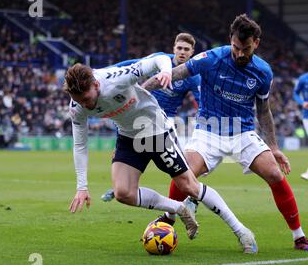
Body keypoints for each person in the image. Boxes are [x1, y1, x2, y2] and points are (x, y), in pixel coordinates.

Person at [143, 14, 308, 252]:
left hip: (242, 132)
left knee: (275, 175)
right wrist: (140, 91)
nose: (239, 53)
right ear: (231, 40)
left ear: (256, 43)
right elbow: (174, 74)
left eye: (245, 49)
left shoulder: (263, 72)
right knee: (182, 172)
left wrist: (274, 147)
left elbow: (264, 111)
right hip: (208, 130)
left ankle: (299, 237)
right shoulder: (210, 58)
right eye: (236, 47)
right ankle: (170, 217)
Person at [64, 55, 257, 252]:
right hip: (128, 136)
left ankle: (242, 232)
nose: (85, 105)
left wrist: (166, 71)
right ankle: (178, 208)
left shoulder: (115, 79)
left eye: (86, 99)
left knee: (189, 186)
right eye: (79, 101)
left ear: (96, 85)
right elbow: (80, 145)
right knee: (123, 193)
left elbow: (159, 59)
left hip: (156, 130)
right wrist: (82, 186)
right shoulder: (77, 107)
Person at [101, 33, 201, 205]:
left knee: (179, 165)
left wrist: (202, 121)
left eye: (186, 49)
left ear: (192, 52)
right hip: (140, 116)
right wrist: (106, 72)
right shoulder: (160, 60)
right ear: (173, 48)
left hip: (165, 122)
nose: (182, 52)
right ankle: (121, 187)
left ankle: (192, 196)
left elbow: (201, 102)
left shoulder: (193, 76)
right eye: (179, 48)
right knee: (128, 155)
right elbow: (132, 65)